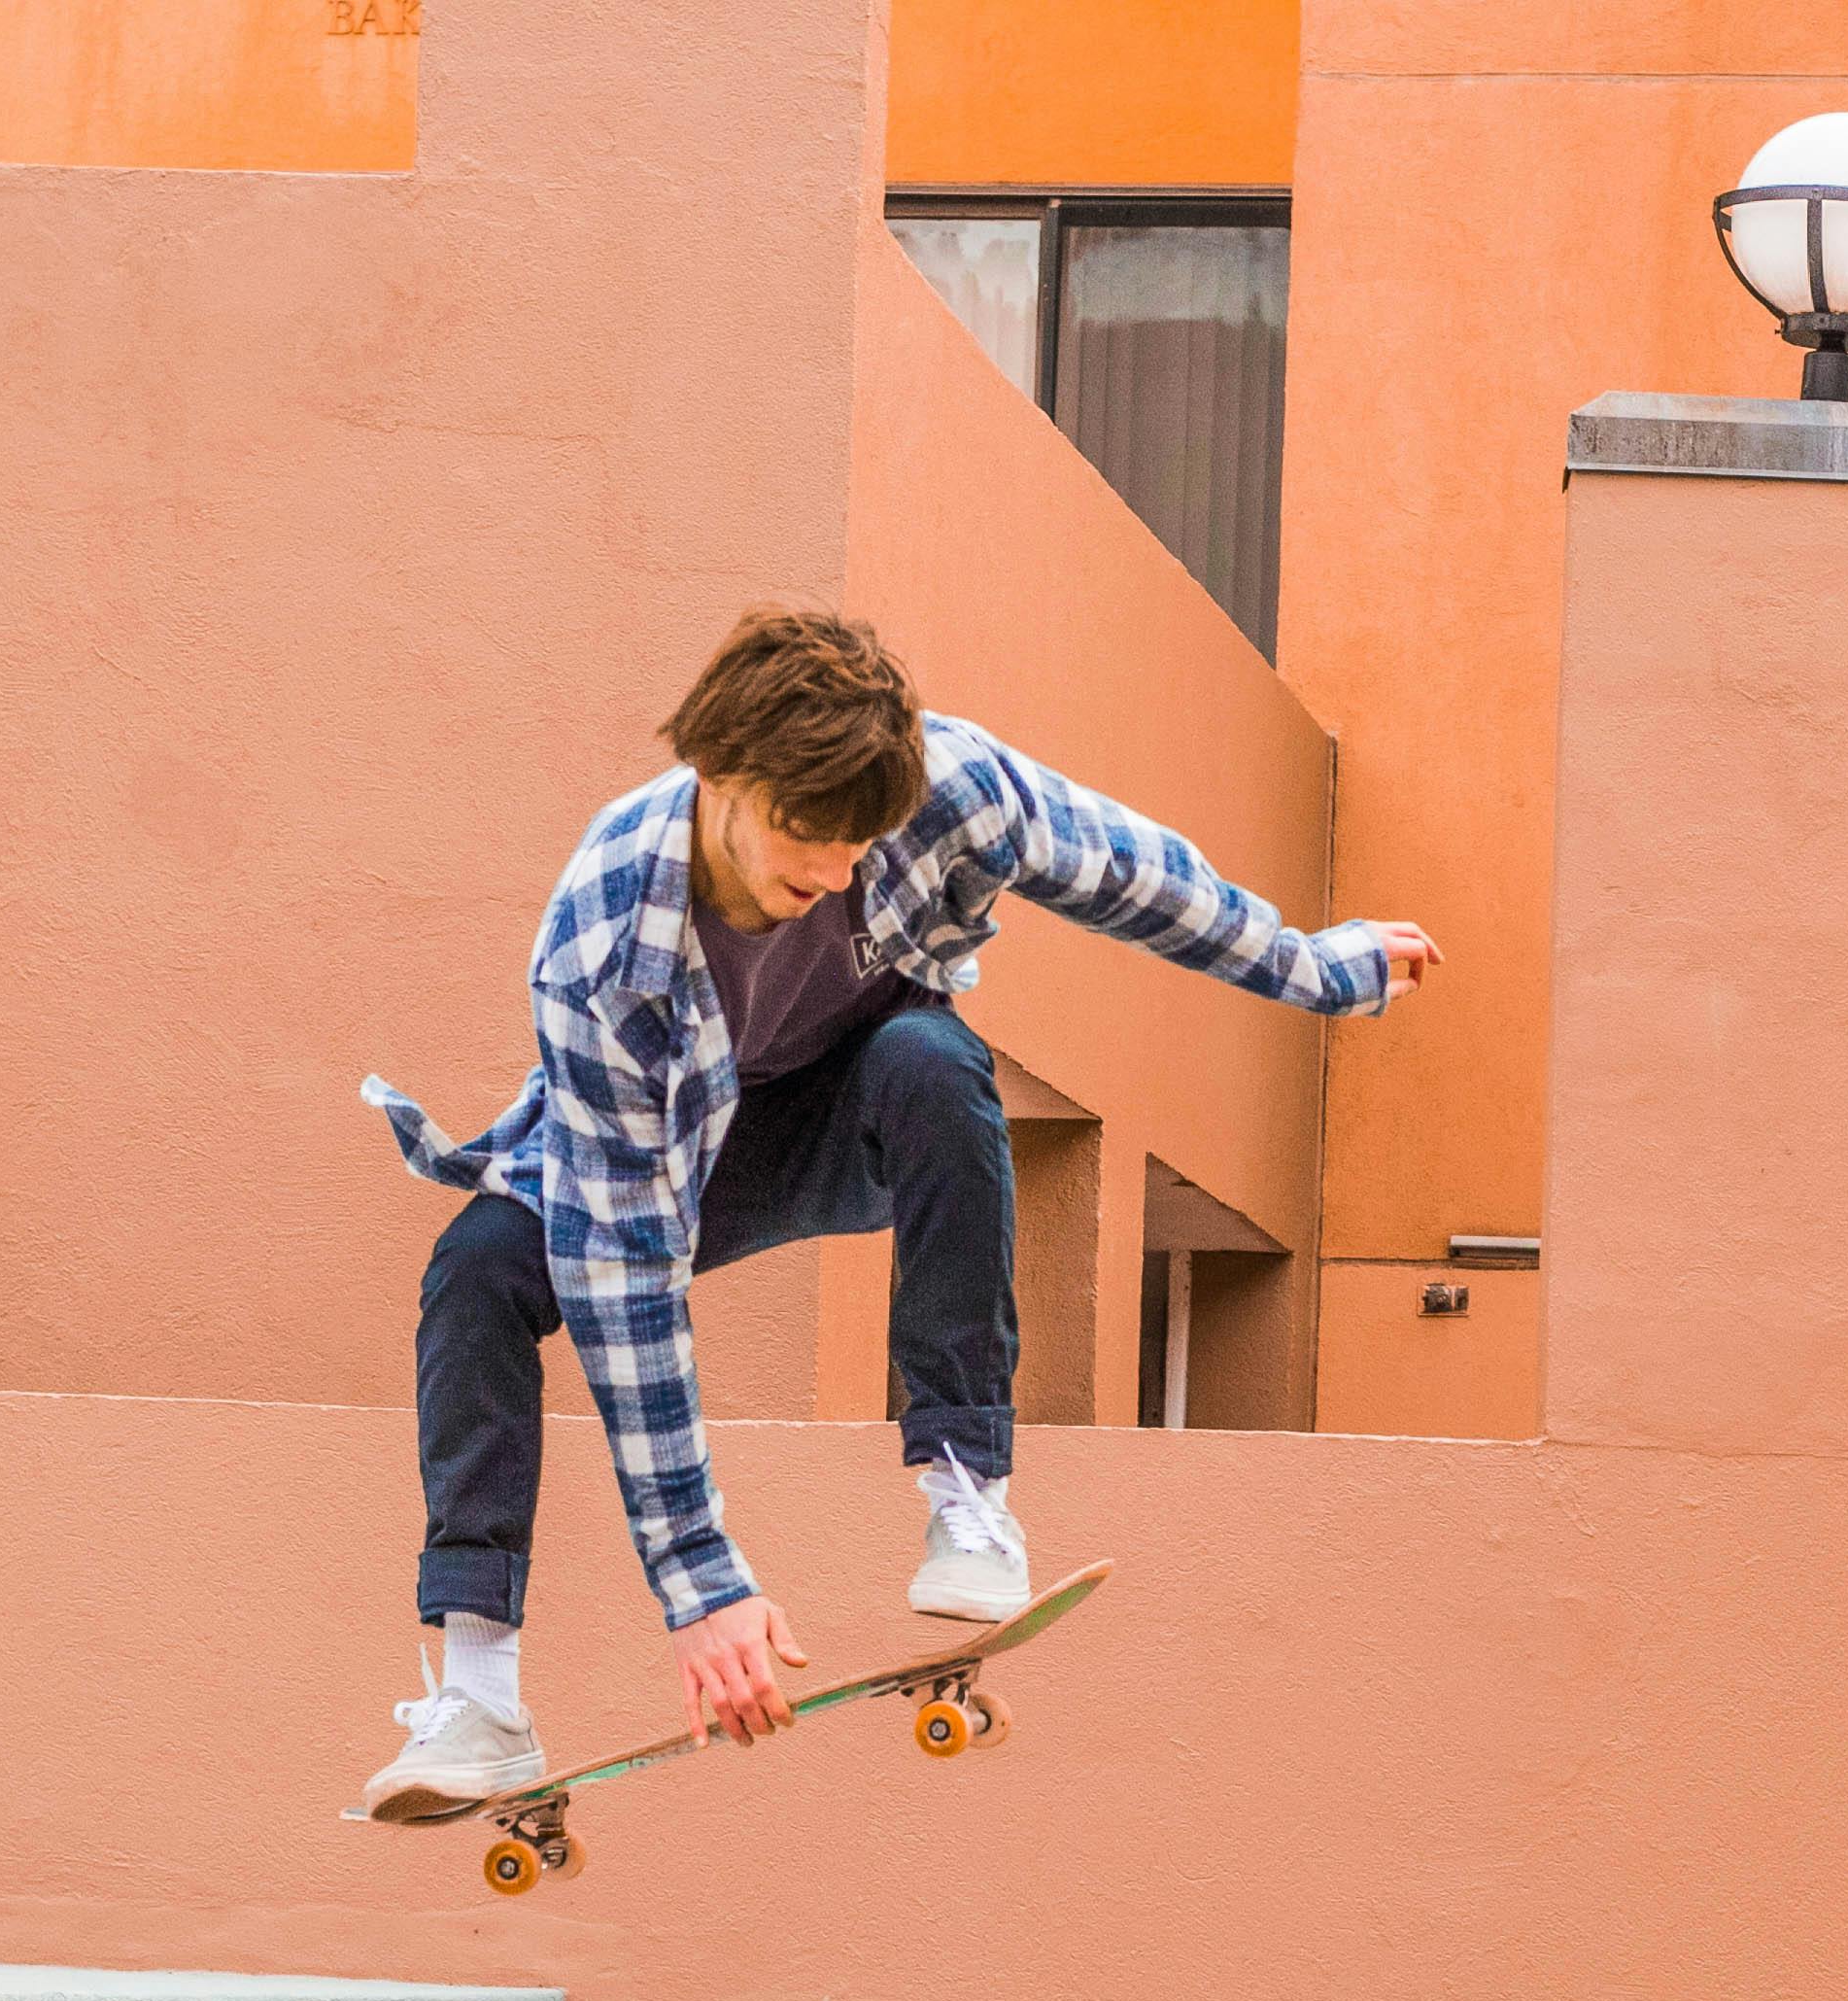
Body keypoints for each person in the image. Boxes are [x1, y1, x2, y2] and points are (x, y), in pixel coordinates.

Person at [354, 606, 1442, 1818]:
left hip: (864, 1105)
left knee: (934, 1056)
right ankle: (479, 1689)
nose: (830, 873)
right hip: (672, 1148)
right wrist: (701, 1582)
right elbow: (623, 1270)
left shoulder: (947, 786)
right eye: (805, 836)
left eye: (856, 846)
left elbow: (1134, 877)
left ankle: (968, 1500)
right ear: (718, 774)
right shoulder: (602, 938)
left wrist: (1313, 965)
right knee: (480, 1267)